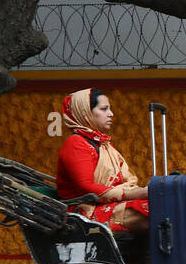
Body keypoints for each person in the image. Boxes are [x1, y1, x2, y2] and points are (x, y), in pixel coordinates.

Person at [55, 88, 149, 239]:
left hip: (105, 205)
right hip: (84, 213)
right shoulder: (76, 143)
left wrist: (141, 192)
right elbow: (86, 187)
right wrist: (135, 193)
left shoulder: (102, 144)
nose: (111, 114)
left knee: (162, 206)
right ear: (86, 113)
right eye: (104, 109)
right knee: (155, 212)